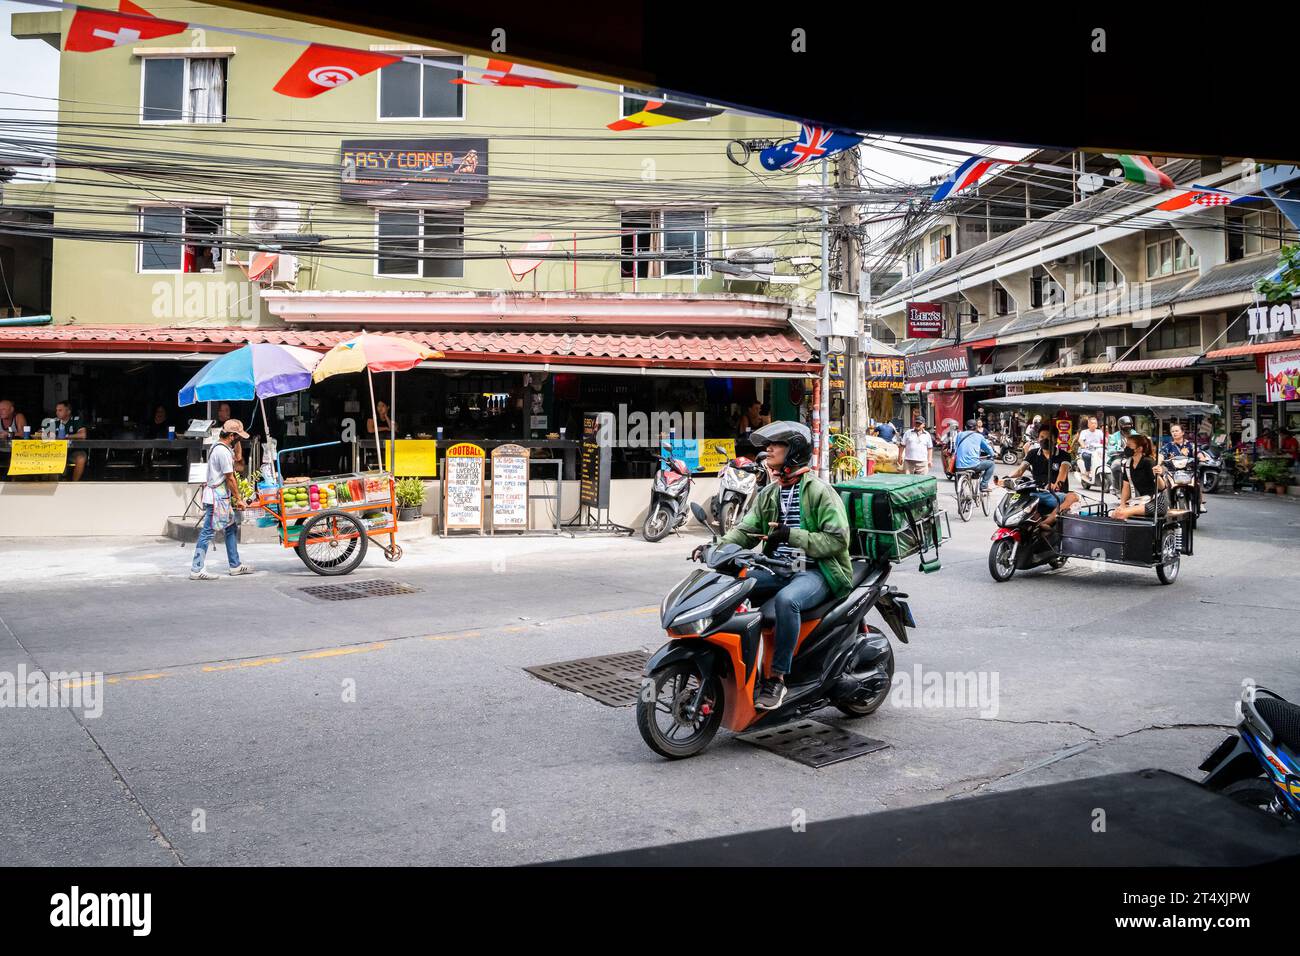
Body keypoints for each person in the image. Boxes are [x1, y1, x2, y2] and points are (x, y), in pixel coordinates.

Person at [702, 420, 853, 711]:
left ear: (794, 451)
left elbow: (837, 540)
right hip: (778, 567)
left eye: (777, 445)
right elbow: (746, 531)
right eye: (768, 445)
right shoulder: (770, 493)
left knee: (786, 601)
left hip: (816, 570)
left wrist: (790, 534)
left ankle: (777, 679)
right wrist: (716, 547)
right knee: (728, 587)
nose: (768, 450)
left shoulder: (820, 492)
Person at [190, 419, 255, 580]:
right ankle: (196, 569)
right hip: (216, 499)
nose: (239, 440)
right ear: (231, 436)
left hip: (221, 498)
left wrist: (237, 441)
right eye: (237, 437)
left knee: (231, 527)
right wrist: (238, 498)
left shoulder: (222, 447)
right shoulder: (222, 452)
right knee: (207, 532)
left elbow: (238, 458)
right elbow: (230, 478)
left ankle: (235, 565)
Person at [999, 424, 1079, 528]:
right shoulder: (1032, 453)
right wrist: (1006, 478)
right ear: (1038, 438)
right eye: (1042, 437)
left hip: (1054, 494)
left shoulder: (1064, 455)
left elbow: (1062, 473)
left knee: (1073, 497)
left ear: (1055, 439)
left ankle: (1046, 523)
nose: (1045, 440)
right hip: (1035, 492)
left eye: (1049, 437)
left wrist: (1056, 485)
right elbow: (1019, 471)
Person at [1110, 432, 1168, 520]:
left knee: (1121, 514)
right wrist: (1122, 504)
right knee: (1115, 514)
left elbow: (1162, 487)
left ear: (1139, 449)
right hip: (1142, 501)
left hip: (1157, 502)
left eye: (1129, 445)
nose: (1126, 448)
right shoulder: (1128, 464)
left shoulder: (1148, 462)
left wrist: (1158, 476)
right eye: (1126, 445)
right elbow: (1126, 487)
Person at [953, 418, 996, 492]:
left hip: (959, 466)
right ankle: (983, 486)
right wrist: (993, 454)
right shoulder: (979, 436)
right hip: (974, 465)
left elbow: (956, 447)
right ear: (976, 428)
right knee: (991, 464)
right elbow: (987, 448)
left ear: (965, 427)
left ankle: (959, 492)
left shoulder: (959, 435)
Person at [52, 400, 89, 481]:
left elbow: (83, 435)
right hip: (57, 452)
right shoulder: (54, 421)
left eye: (60, 410)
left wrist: (66, 436)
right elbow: (41, 433)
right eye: (56, 410)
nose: (57, 412)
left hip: (74, 451)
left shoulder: (76, 420)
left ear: (68, 411)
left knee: (81, 458)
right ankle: (58, 482)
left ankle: (73, 484)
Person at [1077, 416, 1105, 484]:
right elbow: (1080, 440)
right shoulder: (1084, 432)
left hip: (1097, 451)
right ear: (1088, 425)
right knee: (1087, 456)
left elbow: (1104, 440)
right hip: (1087, 451)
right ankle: (1087, 471)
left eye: (1095, 423)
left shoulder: (1099, 432)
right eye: (1092, 423)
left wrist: (1106, 443)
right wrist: (1083, 445)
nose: (1094, 425)